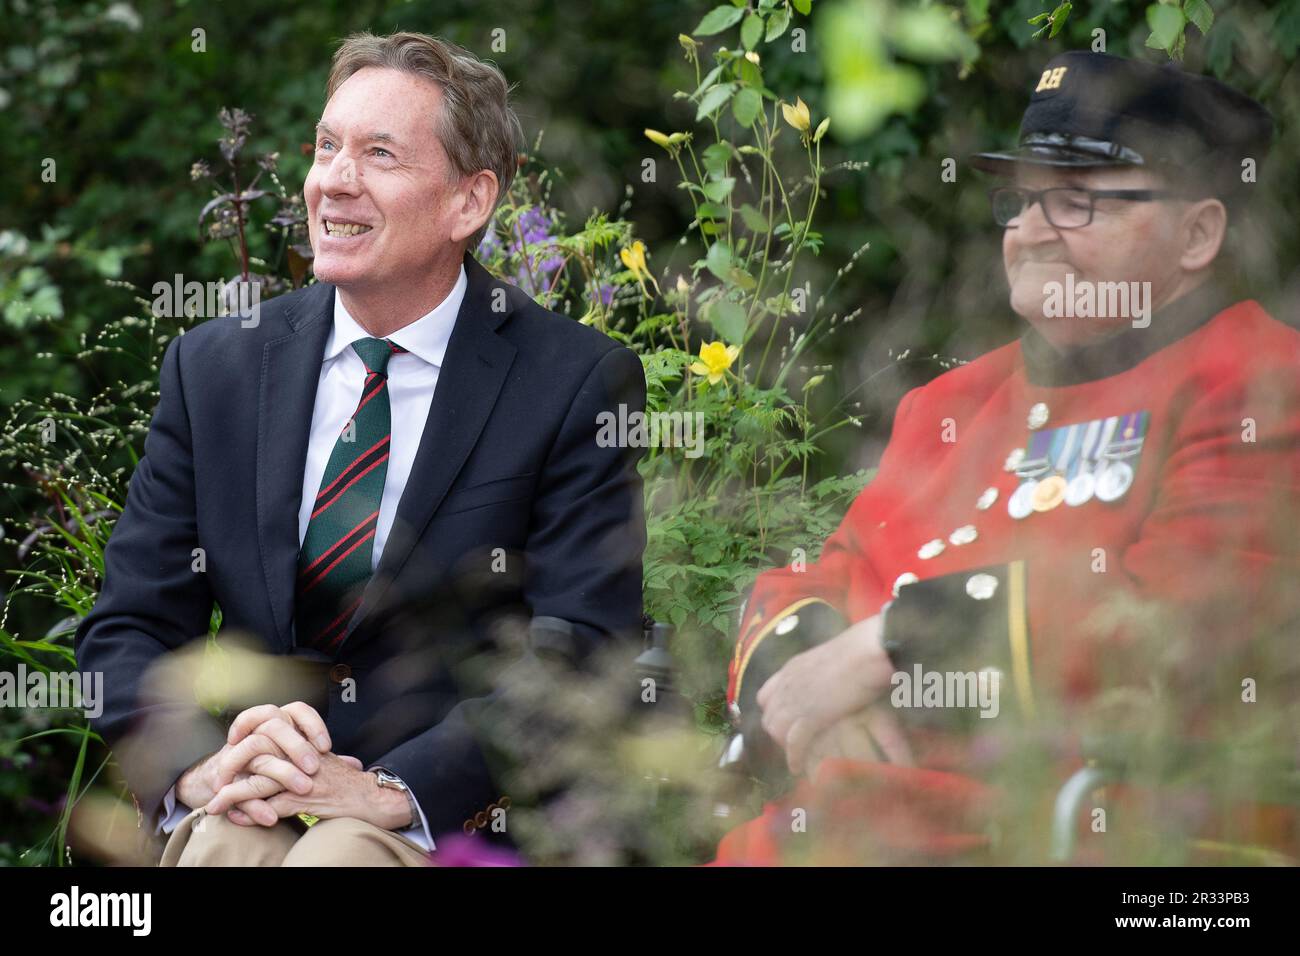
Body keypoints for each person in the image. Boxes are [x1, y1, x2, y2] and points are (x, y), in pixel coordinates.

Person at [74, 31, 646, 866]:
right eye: (326, 147)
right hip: (253, 790)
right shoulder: (216, 368)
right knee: (227, 842)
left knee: (336, 857)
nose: (333, 181)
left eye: (379, 155)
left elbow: (583, 643)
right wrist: (205, 762)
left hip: (455, 818)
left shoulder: (572, 380)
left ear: (468, 202)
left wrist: (391, 791)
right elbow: (129, 627)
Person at [715, 50, 1300, 865]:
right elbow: (816, 577)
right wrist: (809, 684)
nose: (1027, 231)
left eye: (1074, 201)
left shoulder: (1264, 384)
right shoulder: (950, 405)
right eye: (1020, 201)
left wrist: (886, 646)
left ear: (1198, 233)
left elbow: (1175, 621)